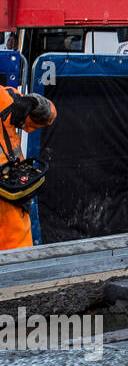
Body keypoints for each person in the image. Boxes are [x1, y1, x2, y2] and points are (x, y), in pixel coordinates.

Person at [0, 86, 56, 250]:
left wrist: (34, 103)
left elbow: (49, 114)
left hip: (11, 213)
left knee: (19, 268)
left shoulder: (5, 96)